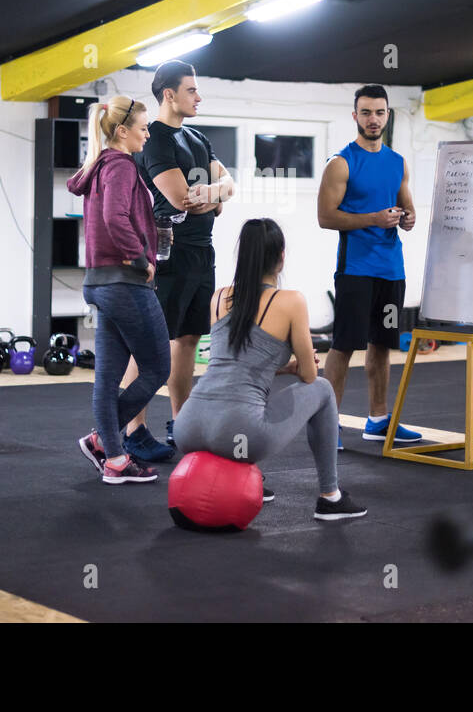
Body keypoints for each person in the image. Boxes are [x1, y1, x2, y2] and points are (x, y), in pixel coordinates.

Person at [172, 218, 367, 521]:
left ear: (242, 256)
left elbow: (233, 365)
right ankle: (331, 497)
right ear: (281, 256)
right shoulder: (291, 301)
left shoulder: (219, 296)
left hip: (187, 427)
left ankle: (249, 482)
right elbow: (309, 376)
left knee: (241, 405)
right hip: (238, 433)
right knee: (324, 389)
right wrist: (296, 367)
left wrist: (283, 367)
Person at [120, 60, 236, 463]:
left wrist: (212, 193)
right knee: (149, 344)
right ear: (169, 94)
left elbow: (228, 187)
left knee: (187, 339)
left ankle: (181, 424)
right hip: (167, 254)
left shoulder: (198, 138)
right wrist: (211, 194)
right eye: (191, 90)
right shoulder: (155, 140)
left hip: (202, 251)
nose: (198, 97)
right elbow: (179, 199)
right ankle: (132, 430)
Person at [66, 96, 171, 485]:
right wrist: (140, 258)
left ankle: (112, 456)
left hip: (98, 283)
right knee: (159, 367)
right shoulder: (122, 165)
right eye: (143, 128)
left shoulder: (99, 166)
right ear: (123, 131)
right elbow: (115, 217)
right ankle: (105, 442)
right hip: (124, 283)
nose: (147, 134)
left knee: (107, 379)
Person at [316, 84, 422, 448]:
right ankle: (328, 426)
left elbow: (408, 210)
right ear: (355, 116)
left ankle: (378, 419)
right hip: (356, 269)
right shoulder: (341, 162)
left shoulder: (398, 163)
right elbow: (326, 217)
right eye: (366, 112)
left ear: (387, 115)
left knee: (382, 343)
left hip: (391, 269)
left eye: (379, 112)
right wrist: (373, 219)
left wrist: (407, 219)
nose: (373, 119)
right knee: (344, 345)